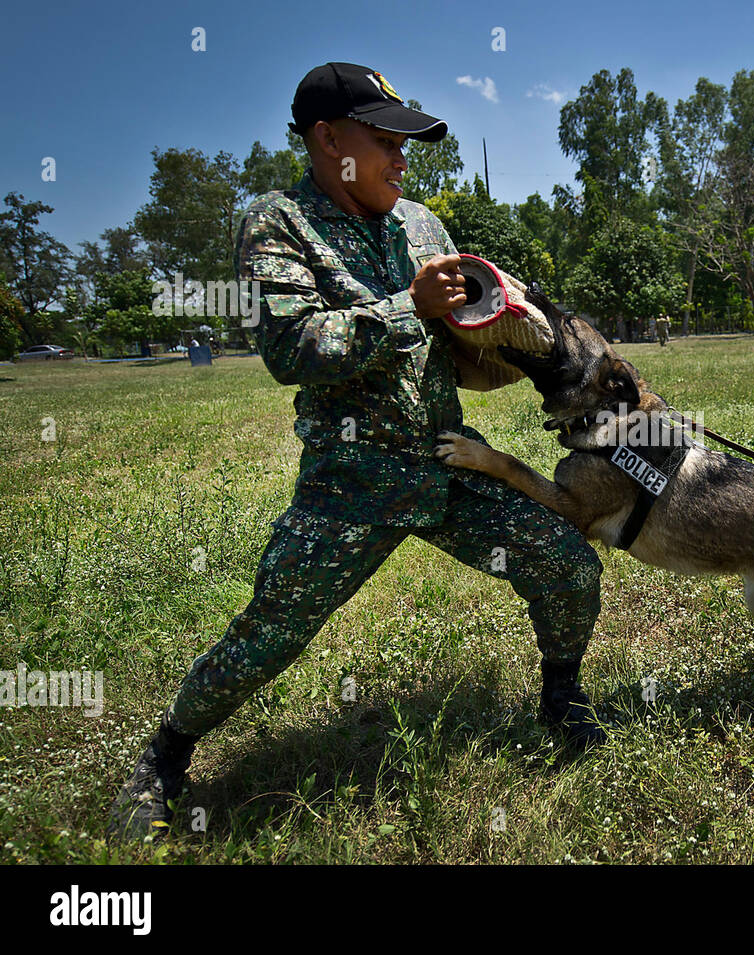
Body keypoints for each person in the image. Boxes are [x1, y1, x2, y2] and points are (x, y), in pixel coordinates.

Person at [110, 62, 606, 840]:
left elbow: (459, 356)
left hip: (448, 460)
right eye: (385, 142)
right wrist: (407, 307)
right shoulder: (278, 223)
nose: (402, 163)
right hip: (351, 481)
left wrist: (510, 343)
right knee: (269, 632)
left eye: (405, 146)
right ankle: (165, 753)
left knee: (569, 565)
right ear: (327, 139)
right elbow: (291, 346)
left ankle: (562, 694)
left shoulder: (423, 226)